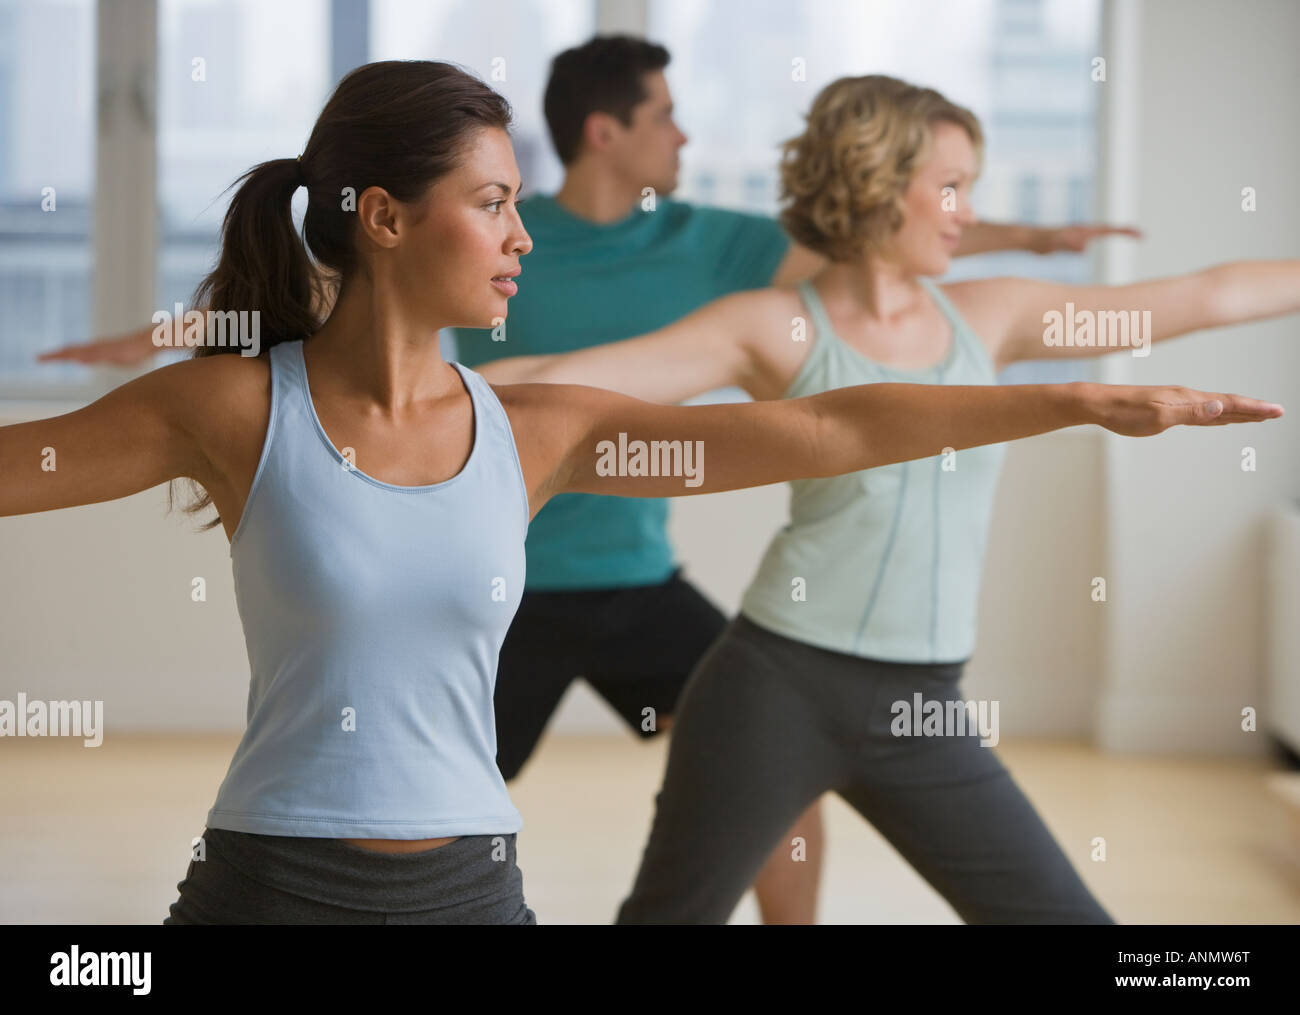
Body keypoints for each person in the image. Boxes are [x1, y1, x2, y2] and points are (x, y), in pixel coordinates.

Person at [33, 36, 1140, 925]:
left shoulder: (539, 425)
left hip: (471, 883)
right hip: (270, 885)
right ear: (383, 216)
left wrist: (1065, 399)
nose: (520, 238)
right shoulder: (233, 406)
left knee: (754, 781)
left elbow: (819, 426)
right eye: (489, 205)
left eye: (516, 202)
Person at [472, 74, 1300, 924]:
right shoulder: (773, 326)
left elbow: (1208, 295)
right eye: (950, 187)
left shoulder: (996, 316)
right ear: (874, 180)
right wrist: (391, 395)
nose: (967, 213)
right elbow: (556, 380)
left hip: (923, 704)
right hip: (772, 689)